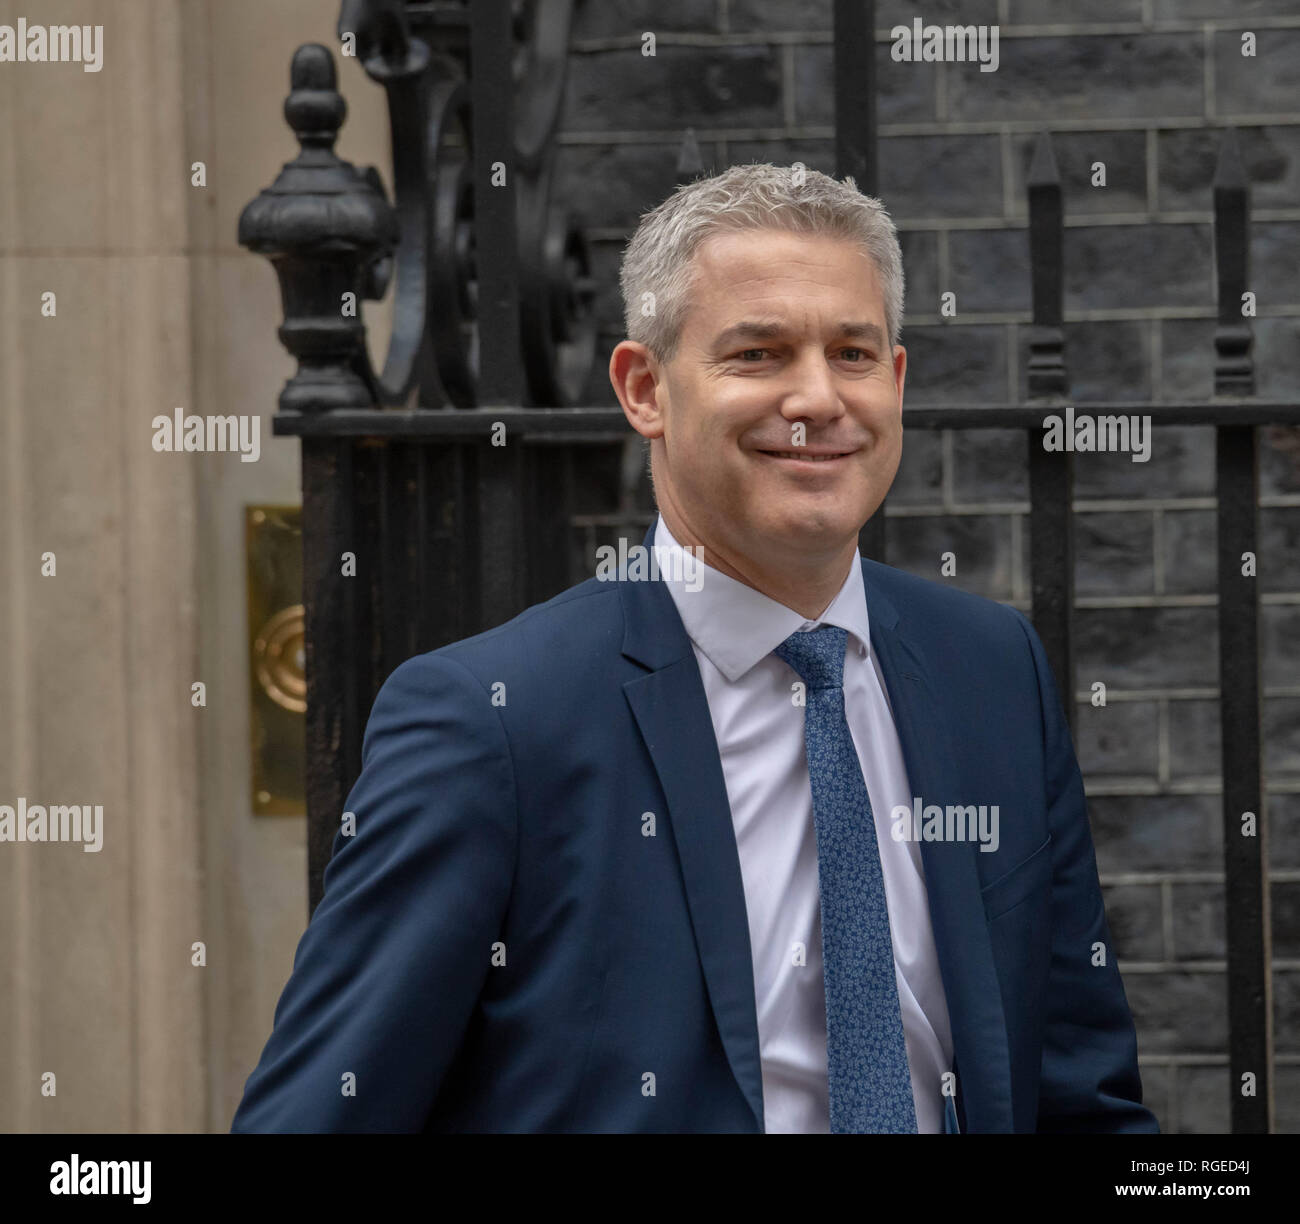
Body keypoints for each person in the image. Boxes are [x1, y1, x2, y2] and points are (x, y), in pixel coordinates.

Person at [231, 163, 1159, 1134]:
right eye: (757, 355)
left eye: (850, 353)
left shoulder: (991, 671)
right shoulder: (492, 720)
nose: (815, 397)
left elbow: (1081, 1097)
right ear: (643, 389)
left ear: (894, 381)